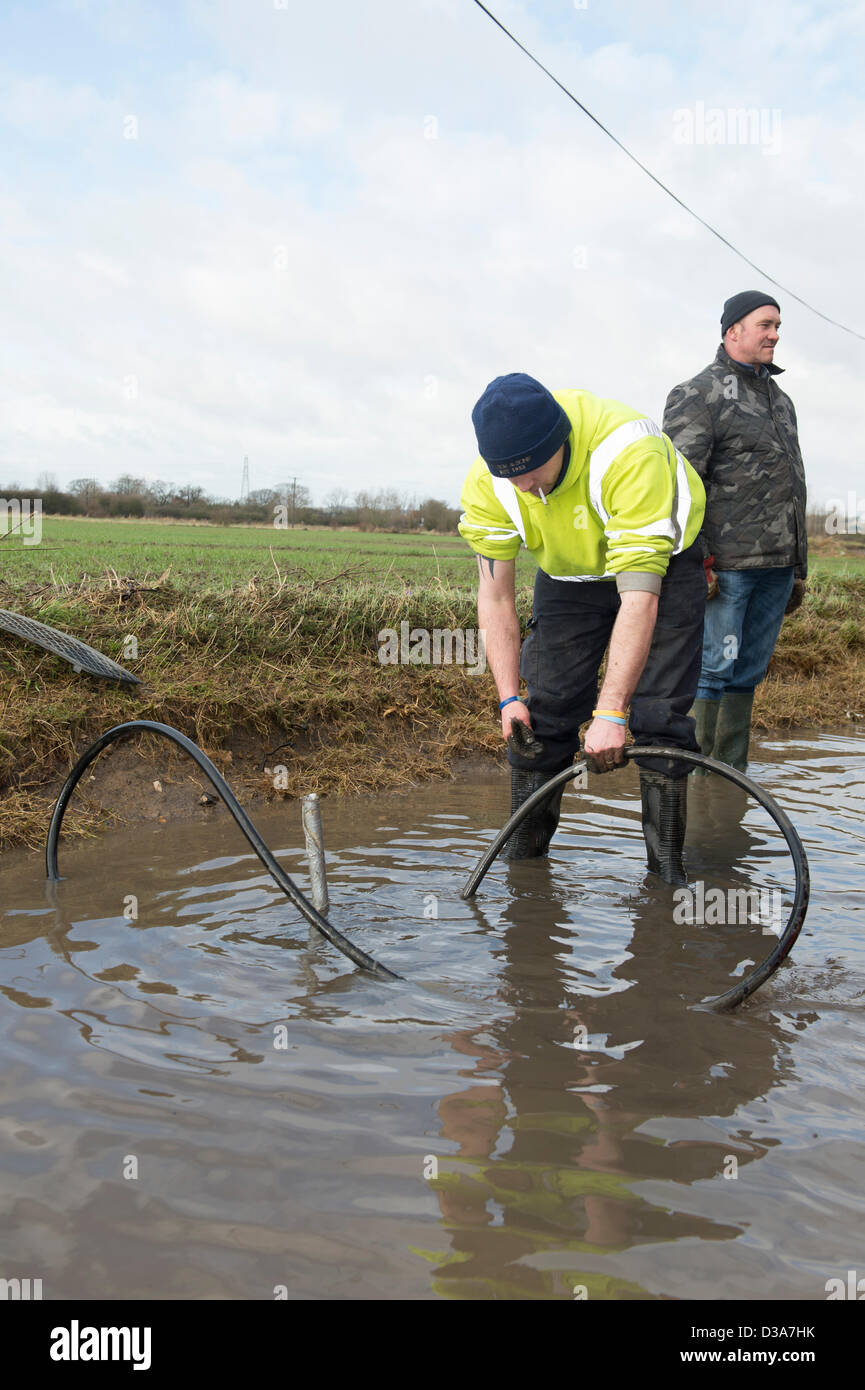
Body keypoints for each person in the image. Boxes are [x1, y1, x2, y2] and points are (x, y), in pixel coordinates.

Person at [459, 372, 706, 885]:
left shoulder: (628, 452)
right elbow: (496, 596)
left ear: (560, 441)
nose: (522, 487)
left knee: (659, 715)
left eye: (531, 471)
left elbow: (639, 598)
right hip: (569, 572)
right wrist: (508, 699)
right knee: (543, 715)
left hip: (662, 562)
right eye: (508, 475)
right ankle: (525, 876)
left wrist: (611, 713)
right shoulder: (491, 482)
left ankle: (666, 883)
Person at [662, 291, 807, 772]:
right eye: (766, 325)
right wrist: (698, 561)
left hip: (777, 565)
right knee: (712, 670)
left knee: (748, 672)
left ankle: (730, 784)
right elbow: (680, 486)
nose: (775, 335)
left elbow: (793, 484)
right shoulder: (698, 393)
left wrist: (799, 567)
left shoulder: (780, 400)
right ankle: (696, 781)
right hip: (726, 567)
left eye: (778, 326)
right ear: (732, 332)